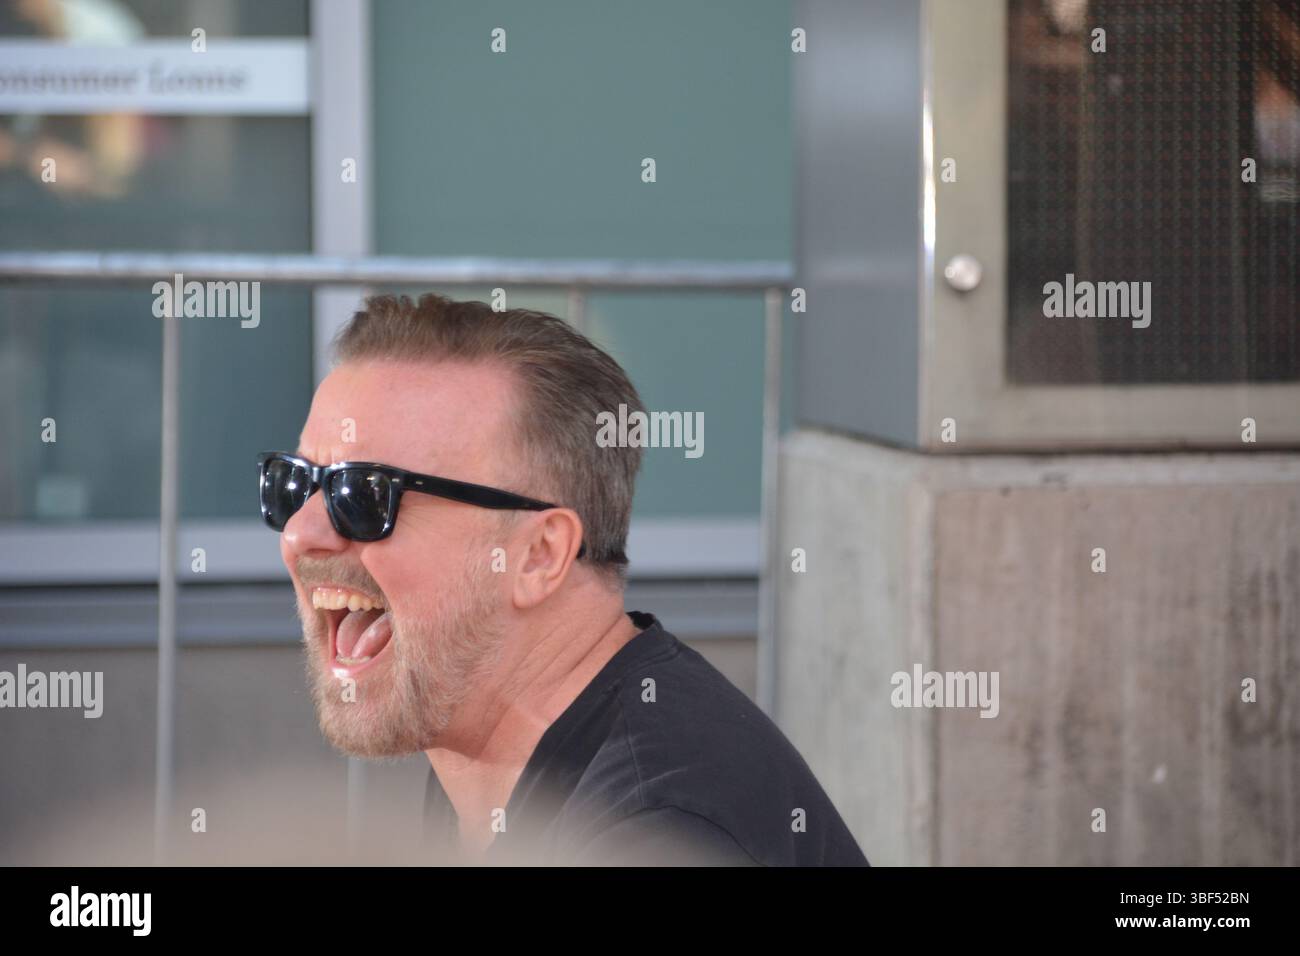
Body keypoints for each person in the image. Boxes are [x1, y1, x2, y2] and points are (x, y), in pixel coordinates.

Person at [259, 293, 869, 866]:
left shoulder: (653, 833)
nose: (299, 534)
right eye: (293, 484)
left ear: (540, 554)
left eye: (364, 494)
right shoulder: (480, 743)